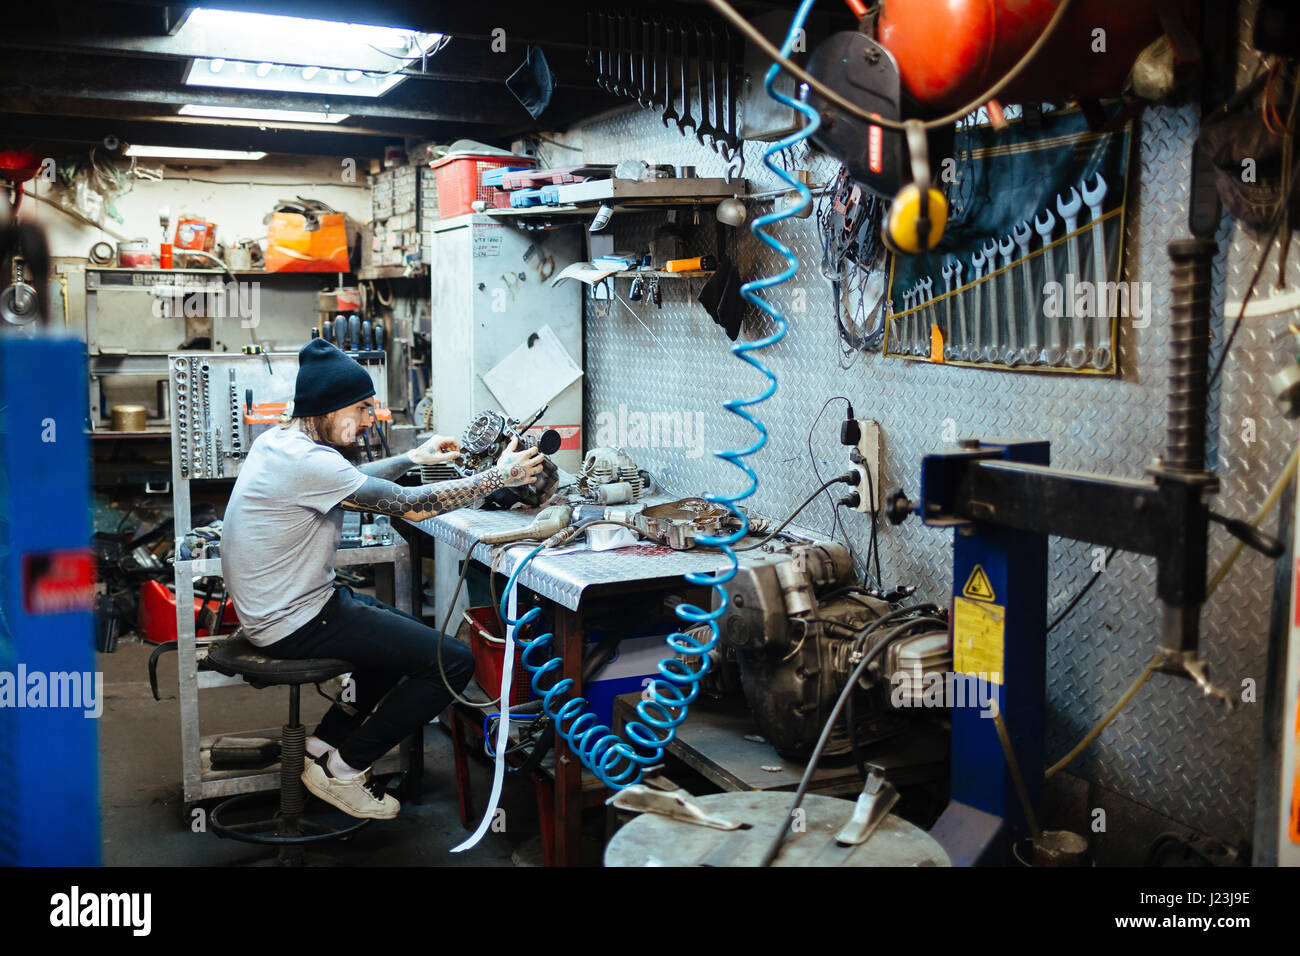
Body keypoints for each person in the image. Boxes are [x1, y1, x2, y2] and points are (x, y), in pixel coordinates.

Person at [221, 339, 544, 819]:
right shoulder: (308, 459)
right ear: (328, 407)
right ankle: (346, 770)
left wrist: (417, 458)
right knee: (450, 661)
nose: (370, 419)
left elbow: (354, 479)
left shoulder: (282, 442)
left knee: (401, 639)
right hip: (292, 620)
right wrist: (496, 477)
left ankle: (322, 746)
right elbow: (409, 504)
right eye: (360, 408)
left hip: (291, 606)